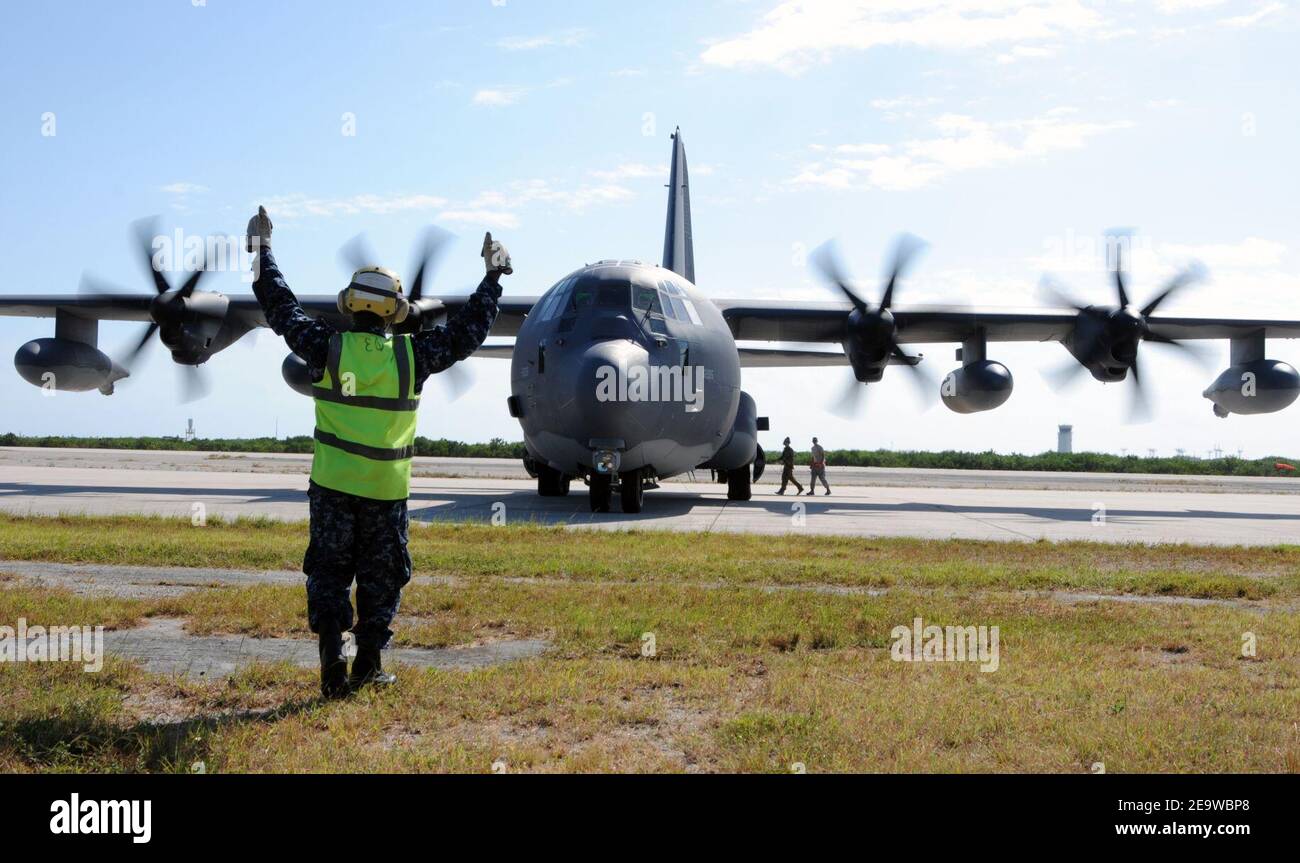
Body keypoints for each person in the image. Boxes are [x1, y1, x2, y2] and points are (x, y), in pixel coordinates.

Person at [245, 206, 510, 698]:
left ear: (349, 305)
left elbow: (280, 306)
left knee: (328, 574)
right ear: (395, 310)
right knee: (381, 578)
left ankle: (331, 672)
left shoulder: (325, 347)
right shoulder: (413, 355)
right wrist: (493, 276)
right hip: (386, 495)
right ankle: (368, 665)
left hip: (331, 489)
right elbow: (469, 331)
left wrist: (262, 252)